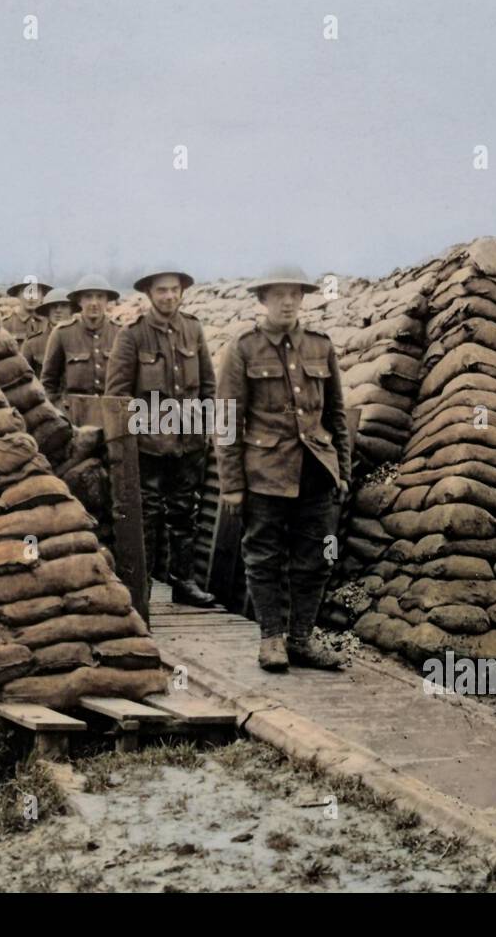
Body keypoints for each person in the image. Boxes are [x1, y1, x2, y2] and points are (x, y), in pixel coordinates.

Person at [215, 266, 350, 671]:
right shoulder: (243, 348)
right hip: (265, 472)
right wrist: (232, 485)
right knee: (263, 557)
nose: (288, 302)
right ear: (263, 300)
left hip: (315, 471)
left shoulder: (320, 346)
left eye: (295, 294)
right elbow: (225, 421)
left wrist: (341, 470)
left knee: (316, 558)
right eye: (279, 295)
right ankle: (271, 639)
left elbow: (336, 414)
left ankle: (302, 640)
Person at [105, 267, 217, 608]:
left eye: (174, 290)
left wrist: (206, 430)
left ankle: (184, 583)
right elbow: (117, 397)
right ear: (149, 295)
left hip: (188, 443)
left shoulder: (193, 329)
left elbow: (208, 387)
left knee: (185, 514)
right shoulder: (133, 335)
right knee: (147, 518)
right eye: (162, 291)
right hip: (149, 446)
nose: (169, 296)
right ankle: (142, 588)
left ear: (182, 292)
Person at [41, 275, 121, 415]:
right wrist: (57, 413)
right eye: (88, 297)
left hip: (112, 413)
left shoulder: (120, 333)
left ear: (107, 300)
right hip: (74, 415)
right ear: (79, 301)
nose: (94, 303)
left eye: (100, 297)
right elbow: (48, 383)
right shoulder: (62, 333)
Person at [21, 286, 73, 372]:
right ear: (47, 311)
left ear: (72, 310)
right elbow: (24, 376)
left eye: (63, 306)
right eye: (53, 306)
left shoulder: (83, 340)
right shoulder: (32, 344)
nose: (58, 310)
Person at [2, 277, 52, 342]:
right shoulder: (6, 324)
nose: (31, 297)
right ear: (18, 295)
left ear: (42, 296)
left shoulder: (49, 323)